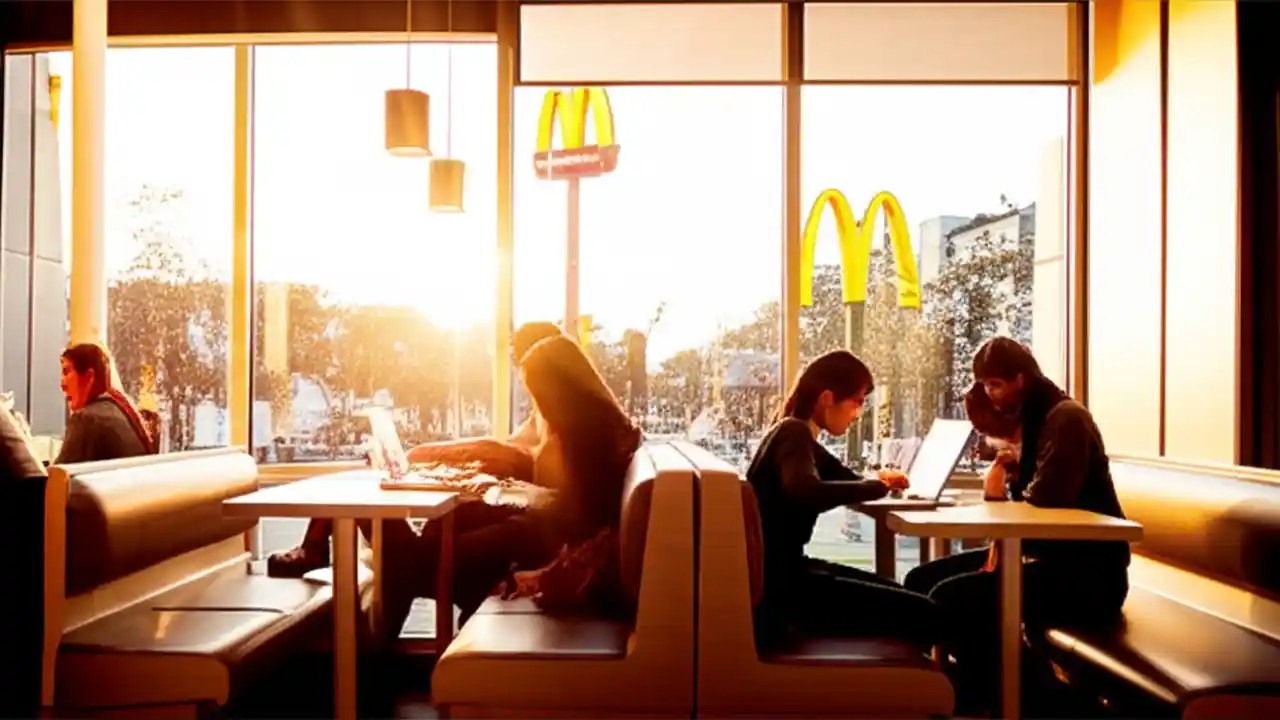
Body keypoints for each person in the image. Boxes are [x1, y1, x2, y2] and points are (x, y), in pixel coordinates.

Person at [903, 337, 1130, 712]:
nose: (990, 395)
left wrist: (1004, 486)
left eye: (995, 385)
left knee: (951, 597)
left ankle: (1041, 703)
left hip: (1089, 577)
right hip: (1051, 562)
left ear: (1021, 380)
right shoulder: (1041, 421)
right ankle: (983, 692)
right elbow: (1034, 507)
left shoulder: (1066, 419)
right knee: (921, 583)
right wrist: (1007, 482)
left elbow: (1047, 506)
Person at [376, 332, 642, 640]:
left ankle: (386, 541)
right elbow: (575, 501)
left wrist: (521, 496)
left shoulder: (588, 433)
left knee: (407, 561)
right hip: (538, 532)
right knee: (447, 527)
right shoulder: (599, 424)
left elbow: (577, 517)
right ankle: (393, 547)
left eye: (537, 393)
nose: (537, 404)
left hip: (538, 540)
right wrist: (514, 491)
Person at [267, 322, 567, 578]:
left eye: (521, 361)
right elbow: (509, 450)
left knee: (362, 506)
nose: (519, 371)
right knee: (364, 493)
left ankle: (315, 551)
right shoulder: (542, 414)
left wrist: (450, 458)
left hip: (467, 547)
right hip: (468, 530)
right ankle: (317, 550)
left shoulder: (559, 426)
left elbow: (517, 458)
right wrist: (450, 461)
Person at [746, 349, 941, 653]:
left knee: (908, 597)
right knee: (926, 613)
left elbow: (846, 478)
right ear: (827, 397)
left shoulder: (797, 436)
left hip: (783, 578)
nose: (858, 412)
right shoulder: (794, 433)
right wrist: (875, 488)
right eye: (857, 401)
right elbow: (804, 490)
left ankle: (922, 684)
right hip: (782, 591)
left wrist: (880, 480)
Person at [54, 343, 155, 465]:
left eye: (66, 372)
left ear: (89, 376)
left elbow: (57, 479)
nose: (62, 385)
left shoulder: (86, 419)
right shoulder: (121, 410)